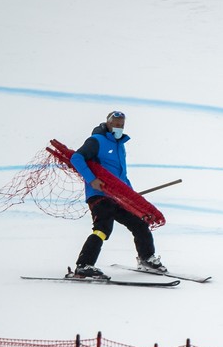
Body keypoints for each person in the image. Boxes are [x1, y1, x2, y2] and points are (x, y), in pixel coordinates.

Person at [70, 111, 167, 278]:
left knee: (140, 224)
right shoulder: (96, 141)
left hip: (118, 196)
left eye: (122, 124)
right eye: (116, 123)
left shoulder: (120, 146)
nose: (119, 127)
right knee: (102, 228)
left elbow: (122, 175)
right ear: (108, 123)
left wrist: (131, 194)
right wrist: (92, 180)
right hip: (99, 195)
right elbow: (77, 158)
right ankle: (84, 265)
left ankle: (146, 259)